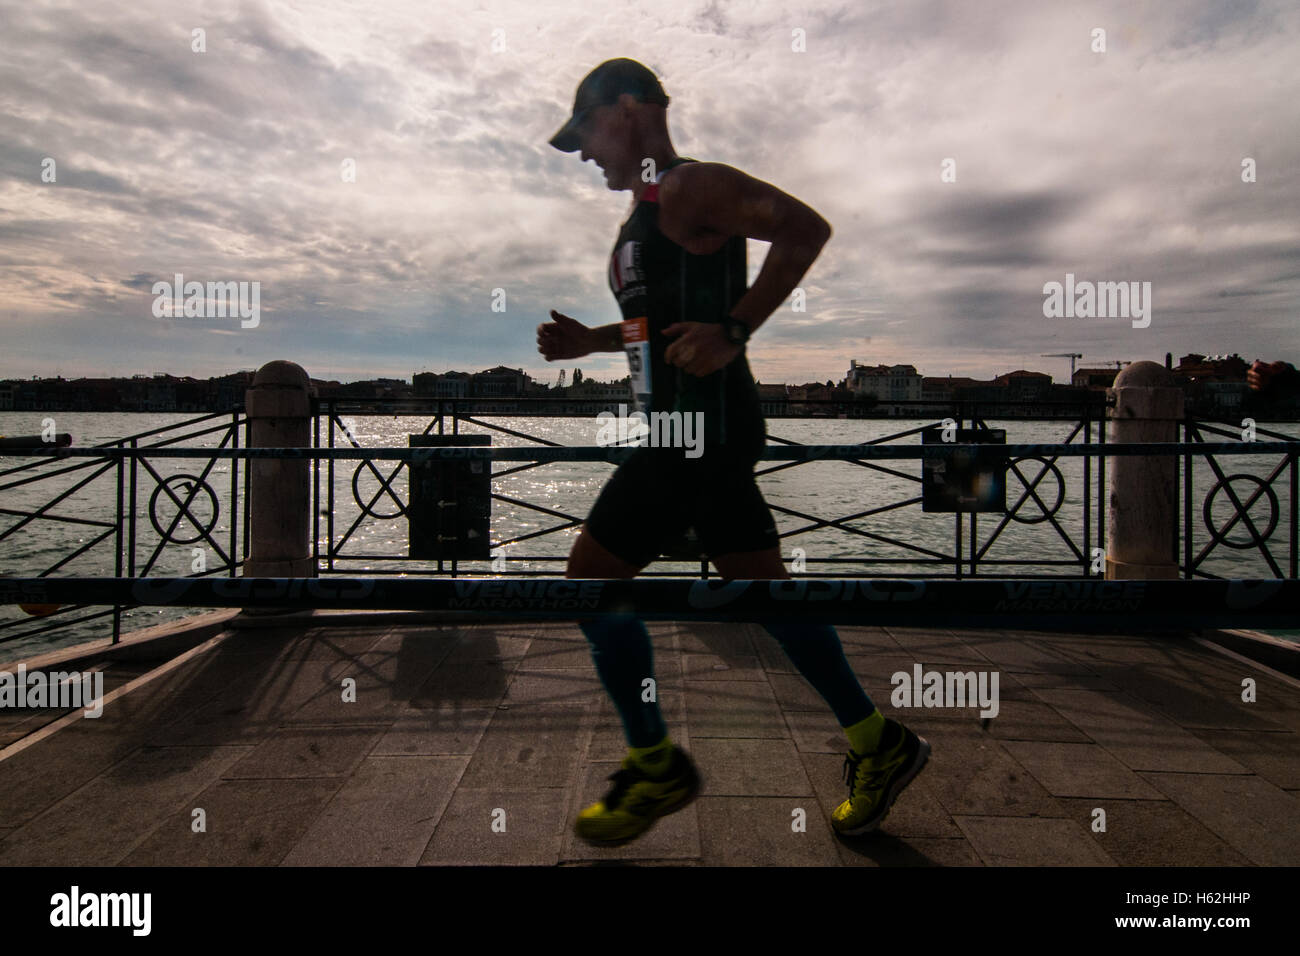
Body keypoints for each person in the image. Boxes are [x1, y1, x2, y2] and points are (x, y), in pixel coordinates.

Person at [539, 58, 929, 845]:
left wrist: (739, 329)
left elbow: (805, 227)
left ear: (626, 109)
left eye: (582, 132)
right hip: (693, 431)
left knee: (588, 584)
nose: (583, 154)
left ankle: (654, 765)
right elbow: (667, 323)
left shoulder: (689, 185)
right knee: (765, 594)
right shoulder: (645, 214)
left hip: (699, 432)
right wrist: (594, 338)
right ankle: (877, 742)